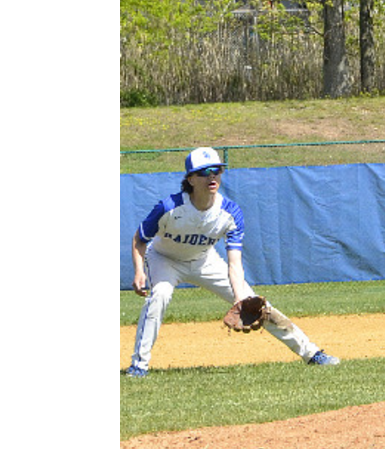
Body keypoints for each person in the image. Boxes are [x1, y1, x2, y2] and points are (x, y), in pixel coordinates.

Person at [125, 147, 339, 377]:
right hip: (165, 259)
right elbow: (140, 239)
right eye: (204, 172)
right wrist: (139, 271)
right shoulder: (169, 207)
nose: (212, 176)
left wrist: (240, 298)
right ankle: (139, 365)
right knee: (160, 295)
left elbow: (234, 262)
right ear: (190, 179)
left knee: (256, 304)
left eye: (217, 170)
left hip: (204, 260)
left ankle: (312, 353)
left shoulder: (230, 212)